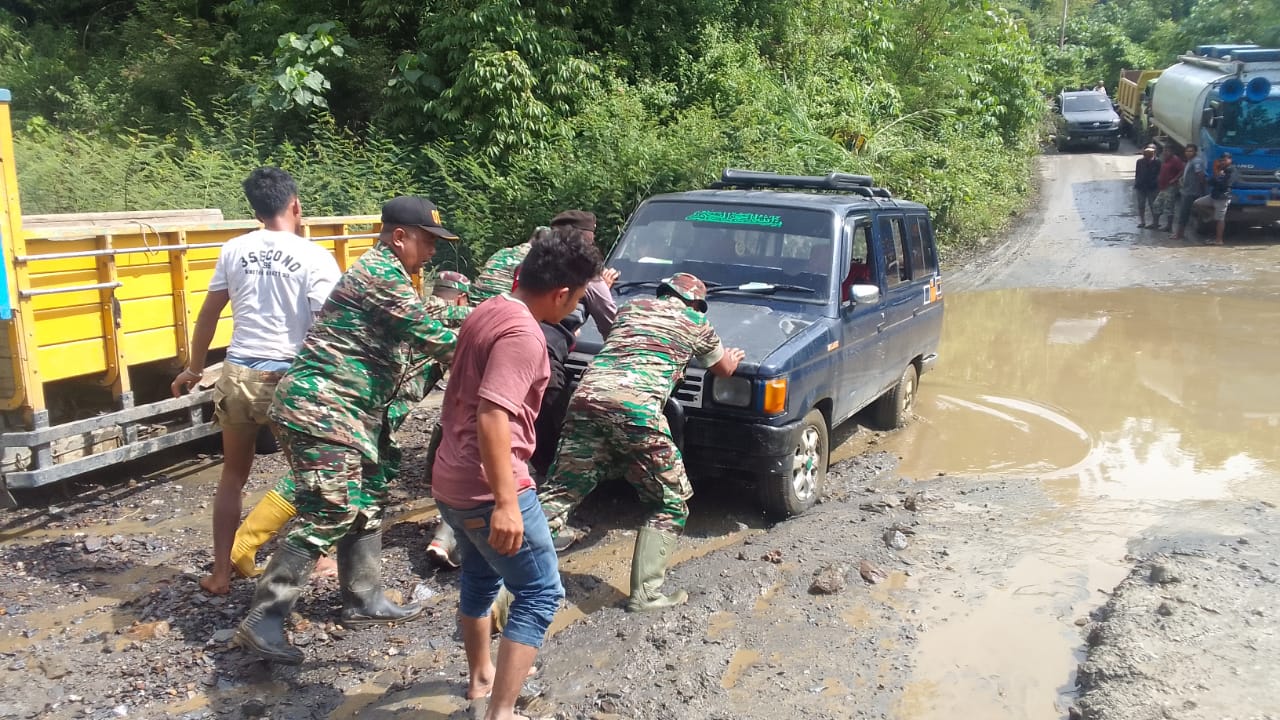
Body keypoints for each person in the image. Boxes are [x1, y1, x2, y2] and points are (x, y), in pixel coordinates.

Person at [235, 196, 459, 665]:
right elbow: (436, 339)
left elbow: (433, 315)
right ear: (400, 237)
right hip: (321, 407)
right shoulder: (379, 275)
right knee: (332, 509)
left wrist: (482, 312)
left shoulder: (395, 276)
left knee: (369, 496)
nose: (432, 251)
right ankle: (265, 616)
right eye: (428, 241)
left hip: (353, 414)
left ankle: (364, 599)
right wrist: (498, 339)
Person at [431, 229, 603, 720]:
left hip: (450, 478)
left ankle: (481, 678)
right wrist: (507, 503)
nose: (576, 307)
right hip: (489, 486)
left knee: (481, 575)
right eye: (579, 298)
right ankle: (501, 712)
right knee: (541, 592)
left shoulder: (488, 309)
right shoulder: (525, 335)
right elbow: (492, 416)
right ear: (561, 294)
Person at [230, 271, 472, 578]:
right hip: (369, 408)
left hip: (357, 400)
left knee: (349, 478)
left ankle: (320, 555)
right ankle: (247, 544)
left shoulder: (416, 306)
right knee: (325, 474)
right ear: (461, 297)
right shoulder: (453, 318)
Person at [170, 167, 341, 597]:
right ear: (295, 205)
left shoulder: (234, 250)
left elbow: (208, 314)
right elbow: (326, 326)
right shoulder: (315, 256)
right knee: (310, 474)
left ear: (256, 210)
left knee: (232, 475)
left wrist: (194, 368)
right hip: (289, 377)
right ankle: (320, 558)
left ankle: (220, 574)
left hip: (239, 373)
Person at [539, 273, 745, 612]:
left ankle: (506, 589)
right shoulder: (696, 321)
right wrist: (732, 360)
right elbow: (722, 368)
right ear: (695, 303)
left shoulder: (630, 308)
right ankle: (646, 594)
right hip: (636, 409)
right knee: (671, 501)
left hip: (586, 400)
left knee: (560, 492)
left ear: (664, 292)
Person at [1193, 152, 1239, 246]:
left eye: (1225, 160)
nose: (1222, 162)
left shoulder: (1232, 170)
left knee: (1220, 219)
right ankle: (1212, 215)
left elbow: (1227, 184)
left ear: (1230, 160)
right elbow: (1210, 182)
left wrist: (1218, 178)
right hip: (1214, 196)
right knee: (1197, 203)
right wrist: (1217, 176)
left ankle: (1219, 240)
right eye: (1221, 160)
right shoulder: (1221, 169)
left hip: (1222, 198)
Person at [1170, 144, 1207, 241]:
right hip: (1187, 190)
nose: (1188, 153)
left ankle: (1179, 234)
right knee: (1186, 213)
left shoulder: (1196, 161)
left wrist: (1202, 188)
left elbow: (1200, 175)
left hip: (1192, 192)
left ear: (1195, 152)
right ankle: (1180, 233)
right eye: (1187, 151)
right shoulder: (1190, 161)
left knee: (1184, 213)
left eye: (1190, 151)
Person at [1152, 145, 1185, 232]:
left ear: (1172, 152)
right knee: (1156, 204)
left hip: (1170, 187)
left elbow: (1182, 170)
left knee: (1168, 206)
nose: (1165, 152)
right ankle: (1155, 224)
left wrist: (1175, 179)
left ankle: (1169, 226)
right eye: (1164, 150)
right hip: (1163, 186)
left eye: (1167, 151)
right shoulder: (1165, 159)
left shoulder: (1175, 160)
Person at [1134, 144, 1161, 229]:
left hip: (1152, 187)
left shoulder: (1158, 162)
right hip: (1141, 186)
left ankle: (1155, 222)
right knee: (1141, 205)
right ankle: (1142, 221)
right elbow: (1137, 173)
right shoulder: (1140, 161)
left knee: (1153, 205)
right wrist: (1137, 183)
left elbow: (1160, 174)